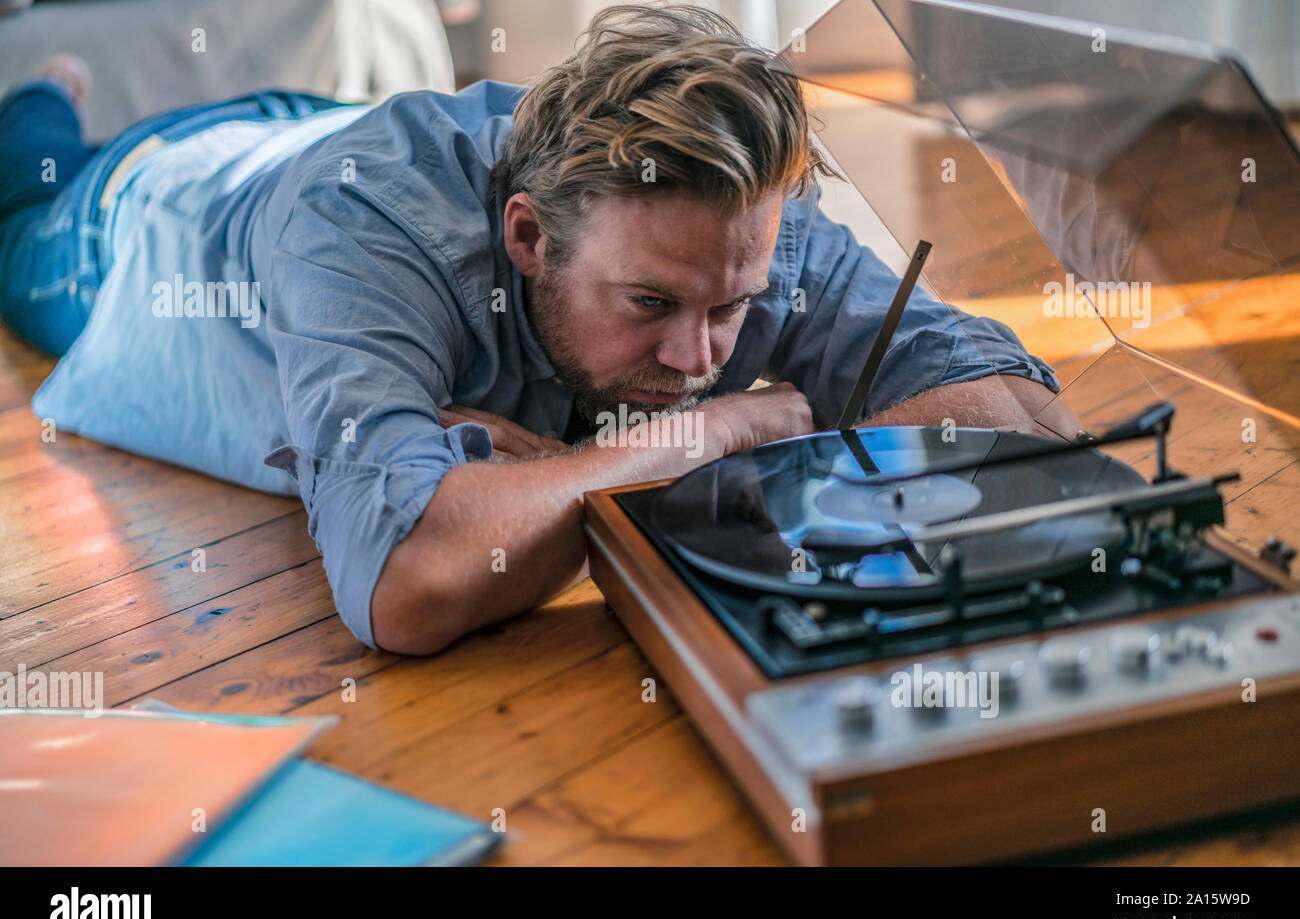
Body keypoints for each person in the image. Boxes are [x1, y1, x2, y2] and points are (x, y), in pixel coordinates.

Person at [0, 5, 1061, 655]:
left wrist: (550, 476)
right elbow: (407, 585)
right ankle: (41, 96)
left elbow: (1024, 423)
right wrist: (701, 437)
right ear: (526, 237)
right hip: (150, 209)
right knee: (21, 193)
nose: (702, 360)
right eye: (648, 305)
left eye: (730, 310)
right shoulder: (360, 229)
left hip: (314, 131)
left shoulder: (728, 217)